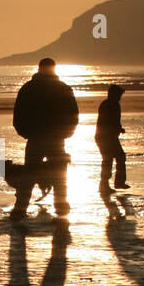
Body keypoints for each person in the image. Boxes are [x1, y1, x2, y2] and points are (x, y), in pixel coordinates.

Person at [9, 58, 78, 221]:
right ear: (53, 69)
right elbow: (73, 115)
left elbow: (18, 115)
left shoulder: (28, 89)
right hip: (53, 138)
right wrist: (67, 132)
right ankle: (61, 207)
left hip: (38, 138)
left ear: (40, 69)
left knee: (30, 175)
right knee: (58, 175)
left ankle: (20, 209)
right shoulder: (62, 88)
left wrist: (25, 132)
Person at [95, 84, 128, 193]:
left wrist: (119, 128)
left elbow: (112, 121)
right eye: (119, 95)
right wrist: (118, 128)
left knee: (110, 159)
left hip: (105, 137)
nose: (120, 97)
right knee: (113, 158)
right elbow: (111, 121)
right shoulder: (111, 104)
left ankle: (107, 184)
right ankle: (114, 183)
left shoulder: (108, 104)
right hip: (106, 138)